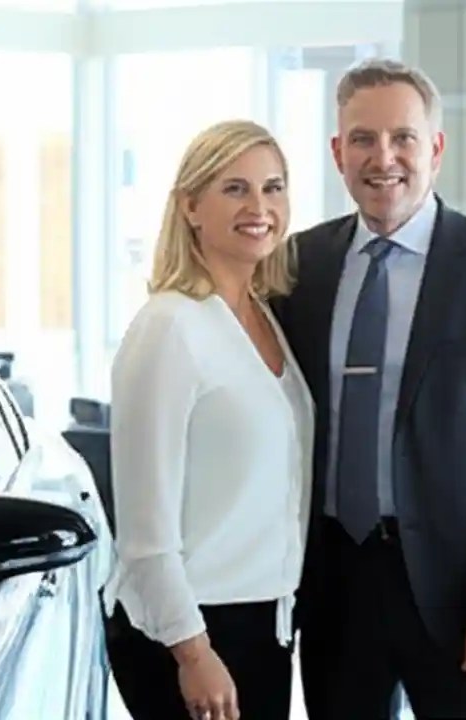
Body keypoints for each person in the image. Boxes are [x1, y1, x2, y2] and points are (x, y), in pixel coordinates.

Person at [271, 57, 466, 720]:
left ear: (434, 149)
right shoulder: (299, 266)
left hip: (465, 596)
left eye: (403, 137)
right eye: (362, 139)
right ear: (337, 153)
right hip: (335, 587)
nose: (384, 158)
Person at [102, 119, 314, 720]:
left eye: (274, 188)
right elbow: (145, 533)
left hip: (265, 622)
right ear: (190, 205)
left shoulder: (264, 318)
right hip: (190, 631)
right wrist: (193, 653)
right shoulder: (169, 327)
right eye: (235, 189)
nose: (260, 207)